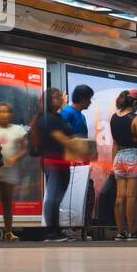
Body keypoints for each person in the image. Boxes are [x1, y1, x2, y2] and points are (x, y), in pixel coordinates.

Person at [33, 87, 77, 242]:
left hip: (60, 161)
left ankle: (55, 231)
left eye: (60, 96)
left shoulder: (56, 116)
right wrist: (83, 149)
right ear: (48, 100)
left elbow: (68, 132)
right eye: (56, 97)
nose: (60, 99)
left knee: (57, 197)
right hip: (54, 161)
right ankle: (51, 232)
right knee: (53, 196)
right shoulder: (48, 119)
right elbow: (62, 138)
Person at [109, 89, 137, 240]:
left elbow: (115, 143)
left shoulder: (113, 117)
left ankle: (120, 232)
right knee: (131, 197)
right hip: (135, 156)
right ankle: (132, 230)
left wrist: (112, 165)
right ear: (134, 102)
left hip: (119, 157)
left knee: (120, 196)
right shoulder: (136, 119)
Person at [0, 103, 28, 241]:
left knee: (7, 201)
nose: (3, 114)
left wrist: (16, 157)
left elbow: (25, 148)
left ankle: (8, 232)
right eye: (0, 112)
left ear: (11, 114)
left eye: (6, 112)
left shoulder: (18, 129)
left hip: (10, 170)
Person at [59, 84, 93, 239]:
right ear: (83, 99)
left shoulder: (81, 115)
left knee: (83, 194)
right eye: (89, 99)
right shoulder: (67, 113)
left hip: (82, 162)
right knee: (70, 194)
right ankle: (68, 227)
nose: (90, 103)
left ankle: (80, 227)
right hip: (71, 162)